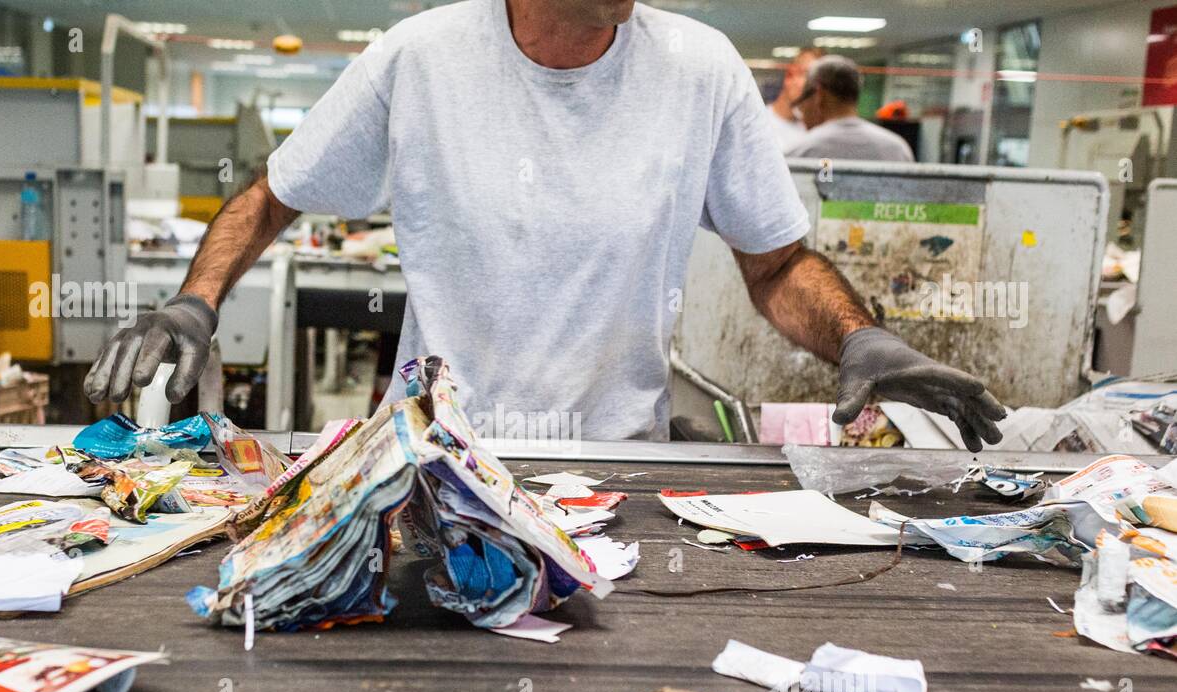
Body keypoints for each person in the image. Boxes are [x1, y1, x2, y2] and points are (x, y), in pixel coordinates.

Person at [85, 0, 1002, 451]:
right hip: (431, 464)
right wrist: (193, 307)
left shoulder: (702, 70)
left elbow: (776, 264)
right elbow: (271, 193)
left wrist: (858, 335)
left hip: (618, 471)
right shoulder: (420, 58)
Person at [787, 55, 915, 162]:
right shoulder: (897, 149)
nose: (802, 110)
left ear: (819, 95)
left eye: (803, 99)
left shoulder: (801, 152)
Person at [768, 47, 822, 153]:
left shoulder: (815, 131)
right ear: (790, 75)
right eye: (809, 77)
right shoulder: (760, 122)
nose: (814, 88)